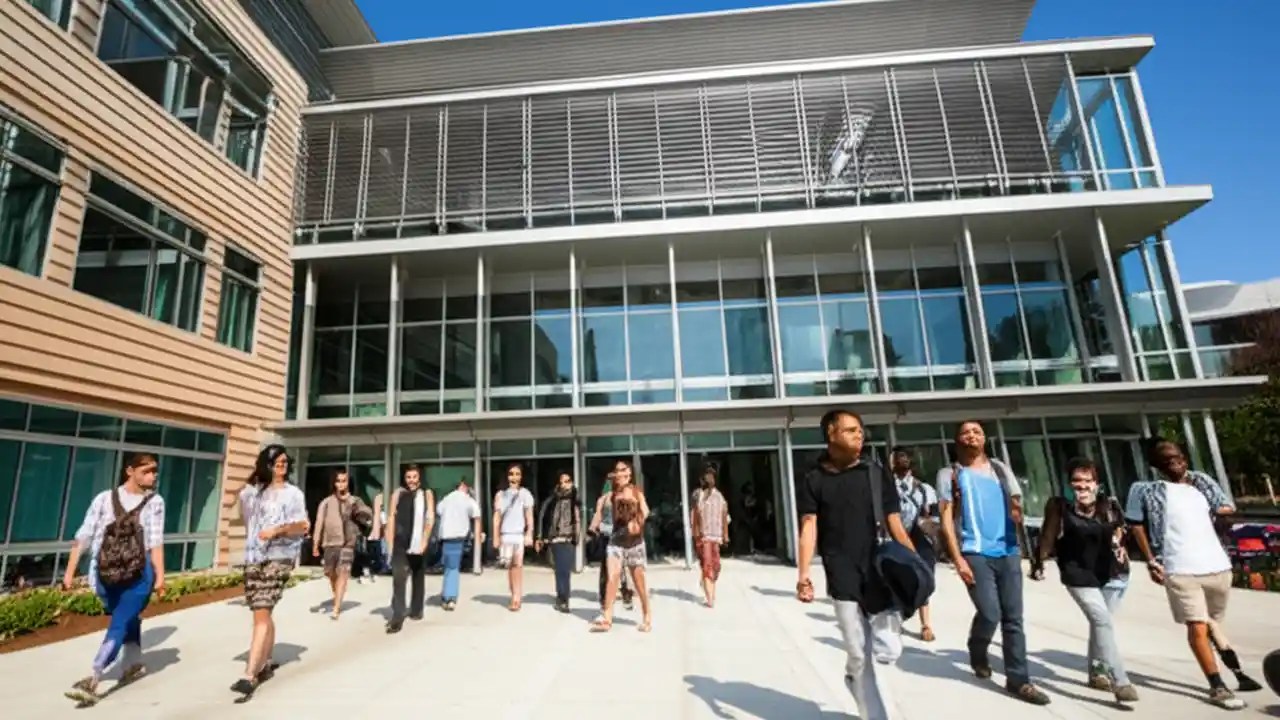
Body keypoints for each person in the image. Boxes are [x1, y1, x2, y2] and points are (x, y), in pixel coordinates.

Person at [795, 409, 915, 720]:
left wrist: (914, 561)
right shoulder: (813, 478)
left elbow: (893, 521)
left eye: (860, 430)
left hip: (879, 569)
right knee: (861, 653)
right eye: (850, 430)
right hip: (841, 571)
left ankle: (852, 674)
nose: (858, 435)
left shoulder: (875, 472)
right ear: (831, 435)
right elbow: (809, 525)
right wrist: (804, 574)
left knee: (890, 648)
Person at [1126, 437, 1262, 710]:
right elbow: (1136, 525)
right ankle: (1217, 685)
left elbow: (1225, 506)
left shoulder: (1201, 481)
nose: (1175, 462)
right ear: (1156, 465)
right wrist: (1152, 561)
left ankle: (1233, 668)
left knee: (1212, 621)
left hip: (1217, 566)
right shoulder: (1145, 490)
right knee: (1197, 625)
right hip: (1178, 569)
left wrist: (1225, 512)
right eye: (1167, 459)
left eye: (1178, 456)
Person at [936, 420, 1050, 705]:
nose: (972, 435)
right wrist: (957, 558)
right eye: (965, 432)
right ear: (957, 440)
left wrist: (1019, 517)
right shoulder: (949, 474)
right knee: (990, 612)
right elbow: (946, 518)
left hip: (1008, 550)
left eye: (977, 431)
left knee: (1013, 618)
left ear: (984, 439)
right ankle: (977, 647)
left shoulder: (1000, 469)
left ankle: (1019, 680)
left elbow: (1016, 503)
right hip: (974, 551)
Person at [62, 453, 166, 706]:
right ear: (130, 471)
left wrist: (160, 576)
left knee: (119, 621)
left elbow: (155, 542)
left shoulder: (155, 501)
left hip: (140, 575)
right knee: (125, 616)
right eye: (147, 471)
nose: (153, 476)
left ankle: (94, 677)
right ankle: (133, 664)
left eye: (155, 471)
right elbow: (84, 535)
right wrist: (70, 571)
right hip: (104, 574)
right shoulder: (104, 499)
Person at [1031, 458, 1137, 703]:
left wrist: (1121, 548)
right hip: (1077, 573)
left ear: (1097, 484)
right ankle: (1120, 681)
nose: (1082, 486)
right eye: (1077, 481)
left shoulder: (1109, 505)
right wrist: (1039, 562)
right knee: (1101, 620)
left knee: (1101, 625)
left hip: (1113, 573)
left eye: (1088, 481)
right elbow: (1048, 534)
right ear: (1069, 484)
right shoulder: (1060, 506)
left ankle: (1096, 671)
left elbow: (1121, 531)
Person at [234, 444, 309, 695]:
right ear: (266, 464)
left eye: (285, 463)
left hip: (280, 556)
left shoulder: (293, 494)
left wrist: (277, 530)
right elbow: (246, 522)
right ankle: (265, 662)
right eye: (277, 462)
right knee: (261, 612)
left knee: (262, 610)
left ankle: (249, 674)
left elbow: (302, 525)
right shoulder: (252, 493)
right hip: (254, 557)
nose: (282, 466)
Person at [590, 459, 652, 633]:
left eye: (622, 470)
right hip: (615, 541)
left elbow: (646, 511)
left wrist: (638, 522)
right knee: (612, 578)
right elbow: (601, 512)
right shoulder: (610, 495)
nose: (619, 474)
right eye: (616, 471)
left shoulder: (636, 492)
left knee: (638, 581)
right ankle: (607, 617)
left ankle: (647, 614)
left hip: (634, 543)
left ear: (629, 473)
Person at [311, 468, 373, 620]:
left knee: (343, 572)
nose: (341, 484)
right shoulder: (326, 503)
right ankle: (337, 594)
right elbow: (319, 523)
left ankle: (336, 608)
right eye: (338, 481)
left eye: (343, 481)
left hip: (347, 543)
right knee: (330, 573)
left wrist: (361, 514)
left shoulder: (355, 501)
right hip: (329, 543)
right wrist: (315, 543)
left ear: (348, 482)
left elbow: (367, 514)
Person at [891, 446, 938, 642]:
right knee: (897, 580)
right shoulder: (886, 489)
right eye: (897, 458)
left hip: (921, 540)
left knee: (924, 580)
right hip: (895, 538)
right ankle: (896, 619)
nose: (902, 461)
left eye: (905, 457)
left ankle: (925, 623)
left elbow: (935, 517)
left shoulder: (925, 489)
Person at [387, 464, 434, 633]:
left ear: (419, 477)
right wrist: (390, 542)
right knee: (399, 577)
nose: (411, 481)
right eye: (408, 477)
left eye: (414, 477)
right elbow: (391, 517)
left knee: (418, 575)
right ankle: (397, 616)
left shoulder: (426, 494)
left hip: (419, 541)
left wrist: (424, 541)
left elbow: (430, 518)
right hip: (401, 540)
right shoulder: (398, 493)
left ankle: (416, 609)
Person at [536, 471, 581, 613]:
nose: (564, 485)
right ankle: (561, 596)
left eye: (567, 481)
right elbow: (543, 517)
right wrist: (541, 537)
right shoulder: (552, 500)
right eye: (562, 482)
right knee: (559, 570)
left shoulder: (576, 499)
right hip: (554, 539)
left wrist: (578, 538)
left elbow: (579, 520)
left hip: (568, 539)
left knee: (565, 570)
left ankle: (564, 598)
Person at [492, 462, 535, 611]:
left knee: (518, 566)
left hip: (518, 535)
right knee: (509, 567)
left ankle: (517, 597)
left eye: (517, 474)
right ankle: (513, 595)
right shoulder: (500, 495)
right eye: (511, 474)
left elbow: (529, 516)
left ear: (522, 476)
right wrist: (496, 536)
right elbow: (497, 517)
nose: (514, 477)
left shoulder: (525, 494)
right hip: (505, 535)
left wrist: (529, 533)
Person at [590, 471, 633, 611]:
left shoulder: (618, 497)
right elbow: (598, 515)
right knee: (610, 567)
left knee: (617, 567)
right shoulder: (605, 499)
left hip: (617, 535)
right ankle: (608, 597)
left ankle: (622, 594)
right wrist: (591, 529)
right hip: (608, 534)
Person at [436, 478, 481, 611]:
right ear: (465, 486)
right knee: (454, 568)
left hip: (445, 537)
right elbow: (476, 516)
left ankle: (446, 594)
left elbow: (439, 511)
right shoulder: (468, 500)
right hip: (458, 537)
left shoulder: (446, 498)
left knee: (448, 567)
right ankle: (450, 597)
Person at [690, 461, 730, 608]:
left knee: (716, 566)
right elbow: (694, 516)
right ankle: (710, 598)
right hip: (704, 536)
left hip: (716, 536)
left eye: (712, 476)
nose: (709, 479)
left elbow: (724, 515)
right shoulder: (698, 495)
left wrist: (725, 535)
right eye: (707, 476)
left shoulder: (719, 496)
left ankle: (706, 580)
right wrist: (696, 536)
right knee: (707, 565)